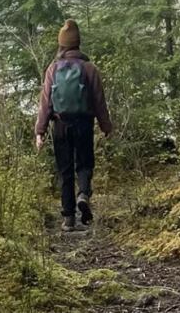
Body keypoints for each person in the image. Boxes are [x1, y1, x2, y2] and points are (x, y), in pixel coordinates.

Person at [35, 19, 112, 231]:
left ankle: (68, 218)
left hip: (61, 125)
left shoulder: (53, 69)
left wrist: (40, 132)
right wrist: (106, 127)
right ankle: (84, 194)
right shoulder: (89, 68)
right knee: (85, 164)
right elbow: (99, 101)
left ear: (61, 44)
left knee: (65, 170)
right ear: (78, 43)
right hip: (84, 124)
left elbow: (45, 103)